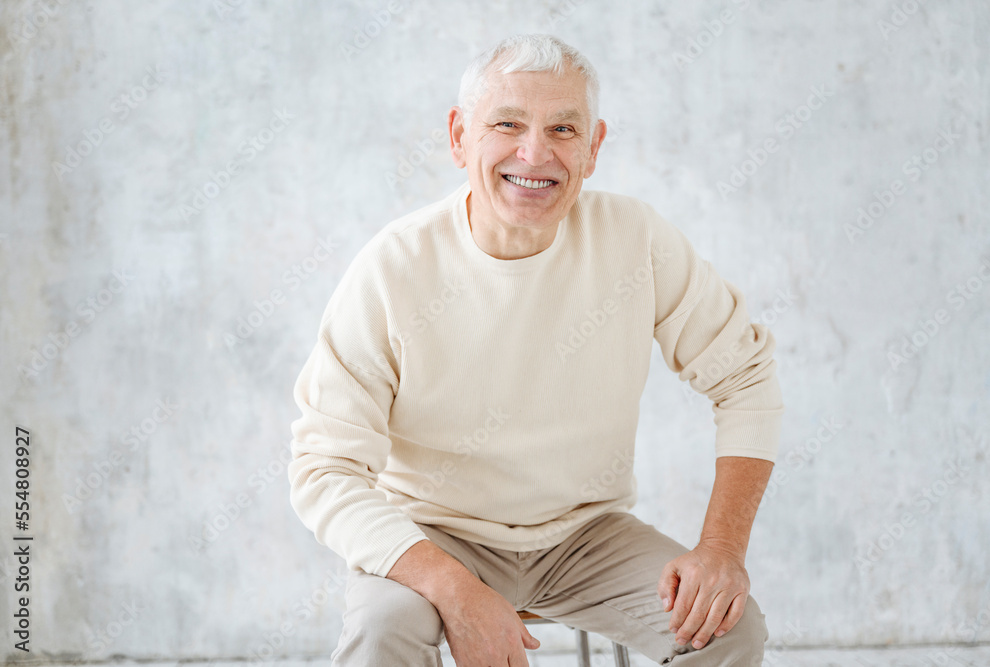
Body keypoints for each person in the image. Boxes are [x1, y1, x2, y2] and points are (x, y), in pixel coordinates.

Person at [287, 33, 784, 667]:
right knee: (382, 630)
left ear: (595, 146)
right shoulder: (393, 268)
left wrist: (721, 549)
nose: (535, 152)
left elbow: (745, 378)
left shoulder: (636, 241)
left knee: (727, 629)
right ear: (459, 136)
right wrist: (455, 589)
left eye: (563, 129)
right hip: (435, 533)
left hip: (585, 536)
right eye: (507, 123)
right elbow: (322, 468)